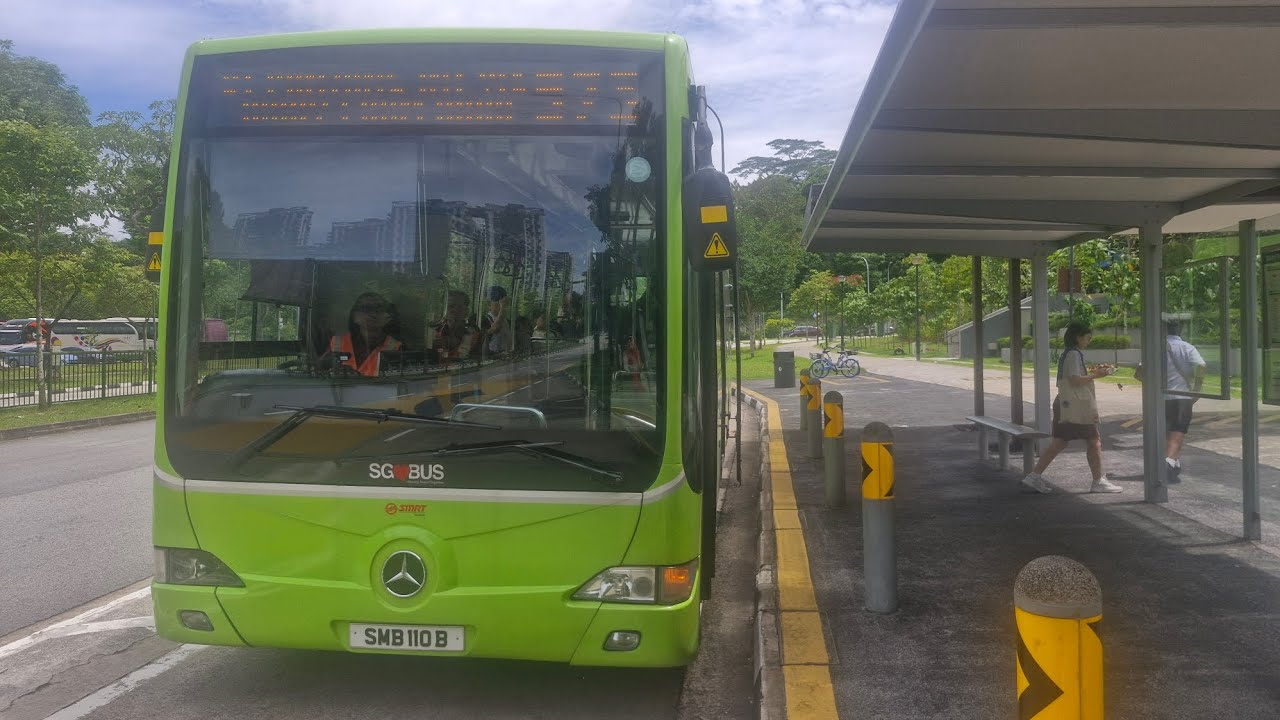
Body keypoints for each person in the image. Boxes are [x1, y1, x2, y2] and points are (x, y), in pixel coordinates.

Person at [1020, 321, 1123, 494]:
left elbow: (1070, 378)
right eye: (1087, 338)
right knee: (1094, 441)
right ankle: (1098, 481)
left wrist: (1092, 373)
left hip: (1065, 404)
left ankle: (1034, 476)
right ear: (1078, 337)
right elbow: (1075, 380)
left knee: (1061, 442)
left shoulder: (1068, 354)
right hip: (1076, 407)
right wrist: (1096, 375)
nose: (1088, 342)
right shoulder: (1074, 355)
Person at [1163, 320, 1207, 482]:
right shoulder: (1187, 347)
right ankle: (1168, 462)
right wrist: (1197, 388)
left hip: (1161, 398)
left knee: (1167, 432)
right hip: (1182, 397)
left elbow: (1140, 372)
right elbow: (1201, 366)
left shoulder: (1155, 347)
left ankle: (1172, 462)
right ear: (1181, 331)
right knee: (1177, 432)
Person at [324, 292, 403, 376]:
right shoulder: (337, 342)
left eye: (378, 309)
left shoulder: (397, 347)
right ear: (354, 316)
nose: (372, 314)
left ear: (388, 317)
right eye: (366, 309)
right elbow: (320, 370)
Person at [428, 290, 479, 362]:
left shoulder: (474, 334)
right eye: (450, 306)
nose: (454, 310)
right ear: (443, 310)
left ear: (466, 311)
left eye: (459, 307)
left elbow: (472, 360)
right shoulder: (434, 331)